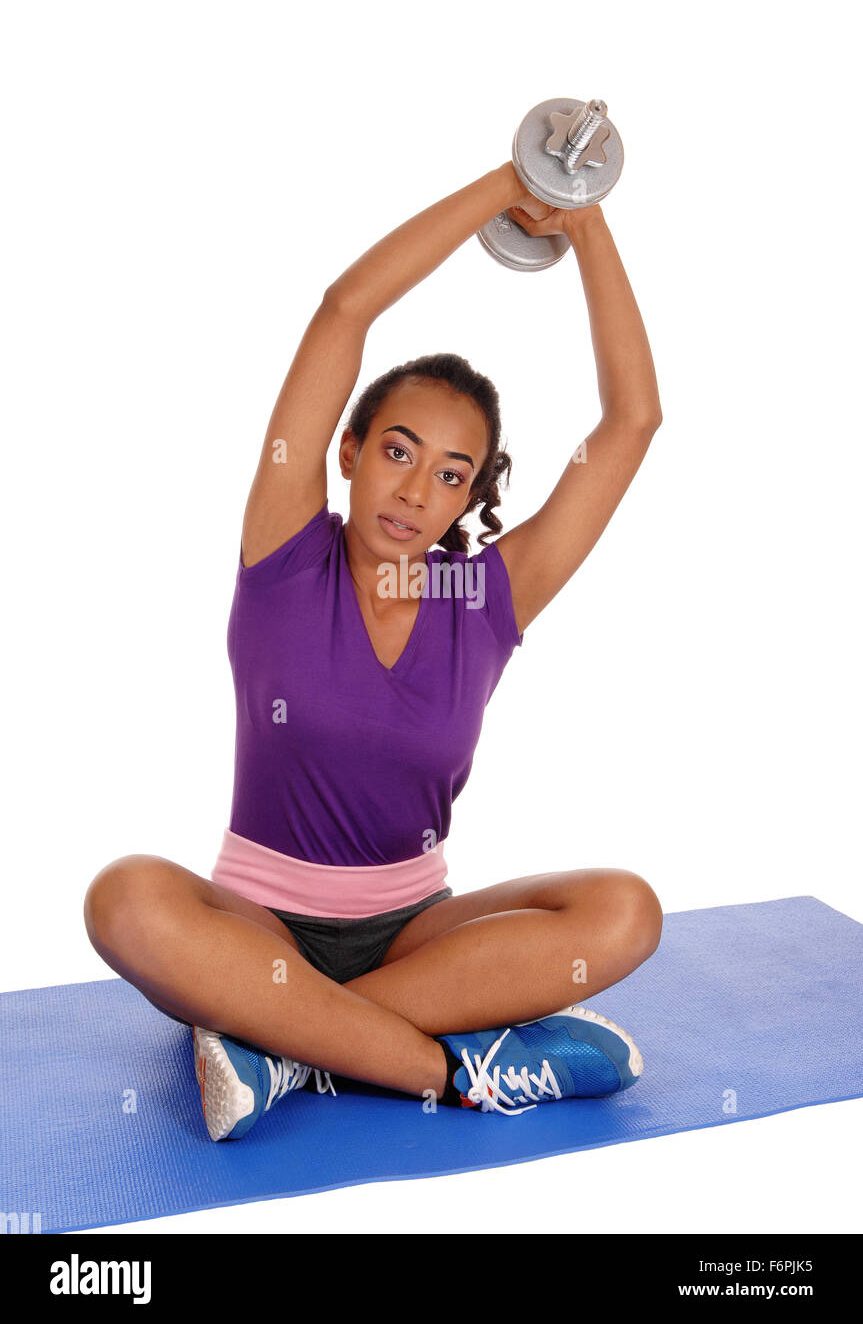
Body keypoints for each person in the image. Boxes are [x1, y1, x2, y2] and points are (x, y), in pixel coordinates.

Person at [83, 159, 664, 1141]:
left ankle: (281, 1046)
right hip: (255, 930)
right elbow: (343, 311)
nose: (413, 491)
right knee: (123, 899)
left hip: (415, 938)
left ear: (468, 494)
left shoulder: (481, 595)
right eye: (396, 451)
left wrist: (585, 217)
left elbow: (629, 422)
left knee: (625, 911)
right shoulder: (282, 553)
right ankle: (455, 1069)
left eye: (450, 473)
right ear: (348, 451)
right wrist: (513, 181)